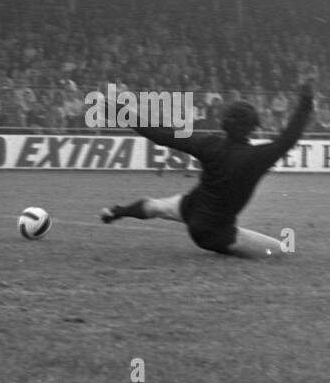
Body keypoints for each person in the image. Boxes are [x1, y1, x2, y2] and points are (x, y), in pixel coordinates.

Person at [100, 82, 314, 259]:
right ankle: (272, 246)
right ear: (253, 126)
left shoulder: (209, 144)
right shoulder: (257, 157)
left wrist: (124, 114)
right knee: (283, 250)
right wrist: (305, 103)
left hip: (191, 207)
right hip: (214, 234)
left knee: (155, 206)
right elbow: (288, 138)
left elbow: (161, 134)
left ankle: (116, 211)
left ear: (225, 122)